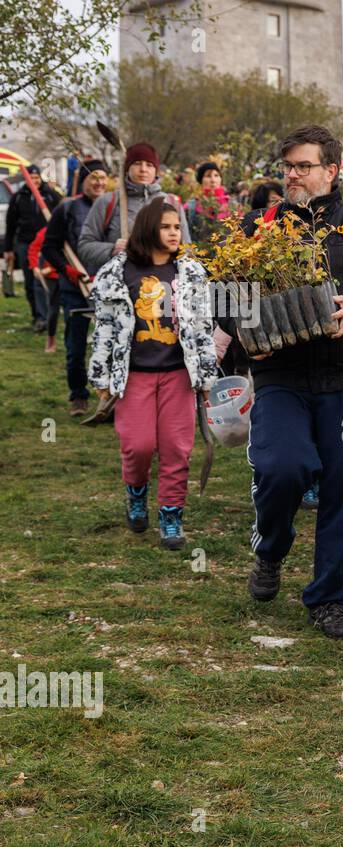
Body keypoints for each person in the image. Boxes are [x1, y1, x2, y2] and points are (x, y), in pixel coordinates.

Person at [236, 125, 343, 640]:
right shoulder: (259, 225)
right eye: (287, 165)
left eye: (303, 165)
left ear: (331, 170)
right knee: (281, 467)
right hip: (280, 376)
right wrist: (246, 334)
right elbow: (224, 297)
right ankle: (270, 547)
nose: (292, 174)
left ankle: (328, 598)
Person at [88, 198, 219, 550]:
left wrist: (206, 379)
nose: (174, 232)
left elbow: (203, 328)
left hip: (178, 374)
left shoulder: (190, 272)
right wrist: (101, 378)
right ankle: (136, 492)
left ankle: (171, 516)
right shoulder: (118, 273)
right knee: (138, 445)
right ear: (148, 228)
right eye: (166, 226)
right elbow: (105, 329)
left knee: (177, 448)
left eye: (177, 226)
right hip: (135, 377)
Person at [41, 160, 110, 415]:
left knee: (113, 344)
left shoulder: (113, 208)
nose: (98, 182)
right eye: (92, 177)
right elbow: (50, 246)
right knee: (76, 344)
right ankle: (78, 395)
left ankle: (110, 398)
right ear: (82, 180)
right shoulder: (67, 209)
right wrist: (66, 270)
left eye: (102, 177)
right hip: (75, 288)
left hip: (109, 288)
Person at [79, 142, 191, 276]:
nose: (143, 169)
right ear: (127, 168)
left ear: (156, 170)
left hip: (164, 286)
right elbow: (85, 247)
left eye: (149, 165)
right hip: (120, 285)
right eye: (137, 163)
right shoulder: (107, 202)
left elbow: (187, 249)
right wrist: (112, 249)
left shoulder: (172, 203)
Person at [4, 164, 62, 333]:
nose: (34, 181)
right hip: (26, 244)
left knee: (47, 281)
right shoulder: (18, 197)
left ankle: (49, 316)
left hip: (47, 244)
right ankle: (38, 316)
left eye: (37, 178)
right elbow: (10, 225)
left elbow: (61, 216)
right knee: (30, 282)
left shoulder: (51, 195)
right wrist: (8, 249)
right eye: (31, 178)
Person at [186, 161, 232, 249]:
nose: (213, 180)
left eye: (216, 175)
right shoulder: (191, 207)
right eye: (208, 176)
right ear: (201, 180)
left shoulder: (232, 206)